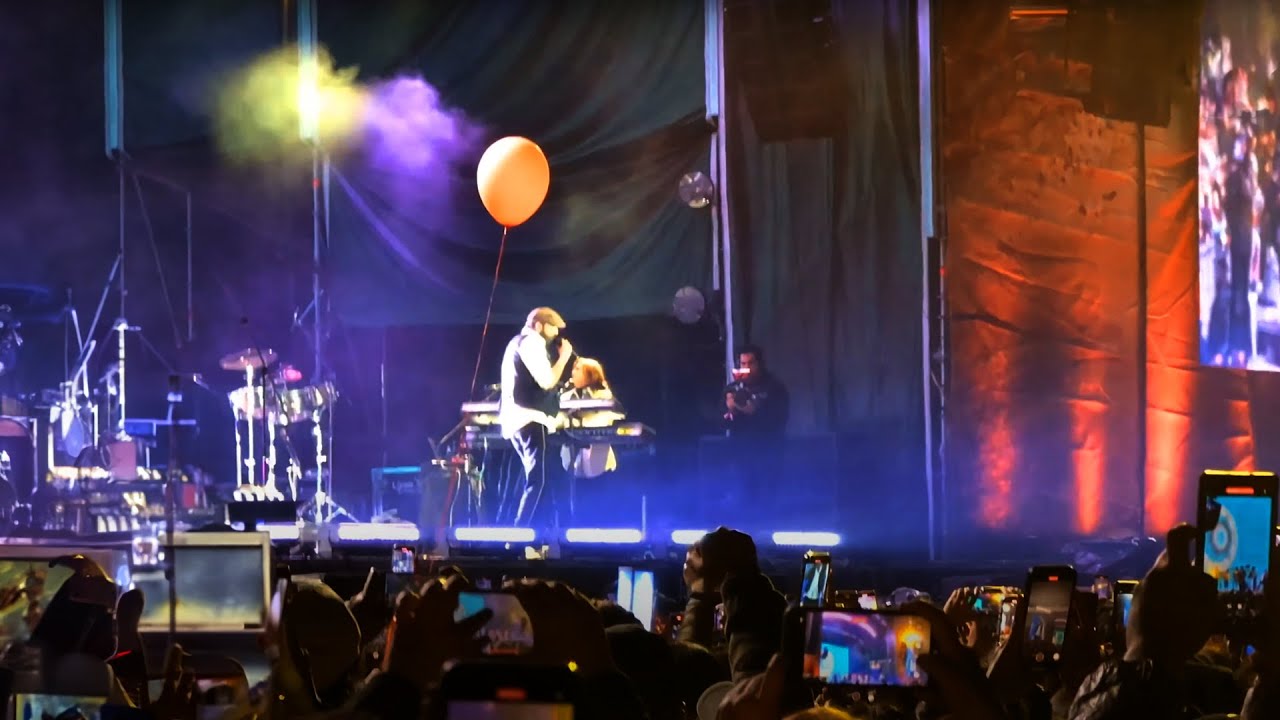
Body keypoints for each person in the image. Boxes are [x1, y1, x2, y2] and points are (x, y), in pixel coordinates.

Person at [499, 307, 574, 529]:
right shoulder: (531, 342)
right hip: (529, 419)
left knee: (546, 479)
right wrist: (564, 358)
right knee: (537, 481)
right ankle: (519, 535)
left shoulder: (518, 342)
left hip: (519, 420)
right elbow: (547, 380)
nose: (555, 334)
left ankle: (546, 533)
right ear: (539, 325)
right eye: (553, 328)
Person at [721, 346, 788, 515]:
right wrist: (731, 410)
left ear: (760, 363)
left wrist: (754, 412)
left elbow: (780, 418)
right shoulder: (732, 389)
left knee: (768, 499)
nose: (747, 368)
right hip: (740, 452)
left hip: (768, 450)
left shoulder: (774, 387)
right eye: (743, 363)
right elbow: (721, 420)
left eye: (751, 363)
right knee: (743, 497)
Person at [560, 357, 622, 479]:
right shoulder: (566, 396)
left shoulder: (603, 394)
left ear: (590, 375)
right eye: (573, 369)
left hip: (597, 455)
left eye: (578, 369)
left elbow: (601, 417)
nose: (573, 373)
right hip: (572, 455)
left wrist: (586, 395)